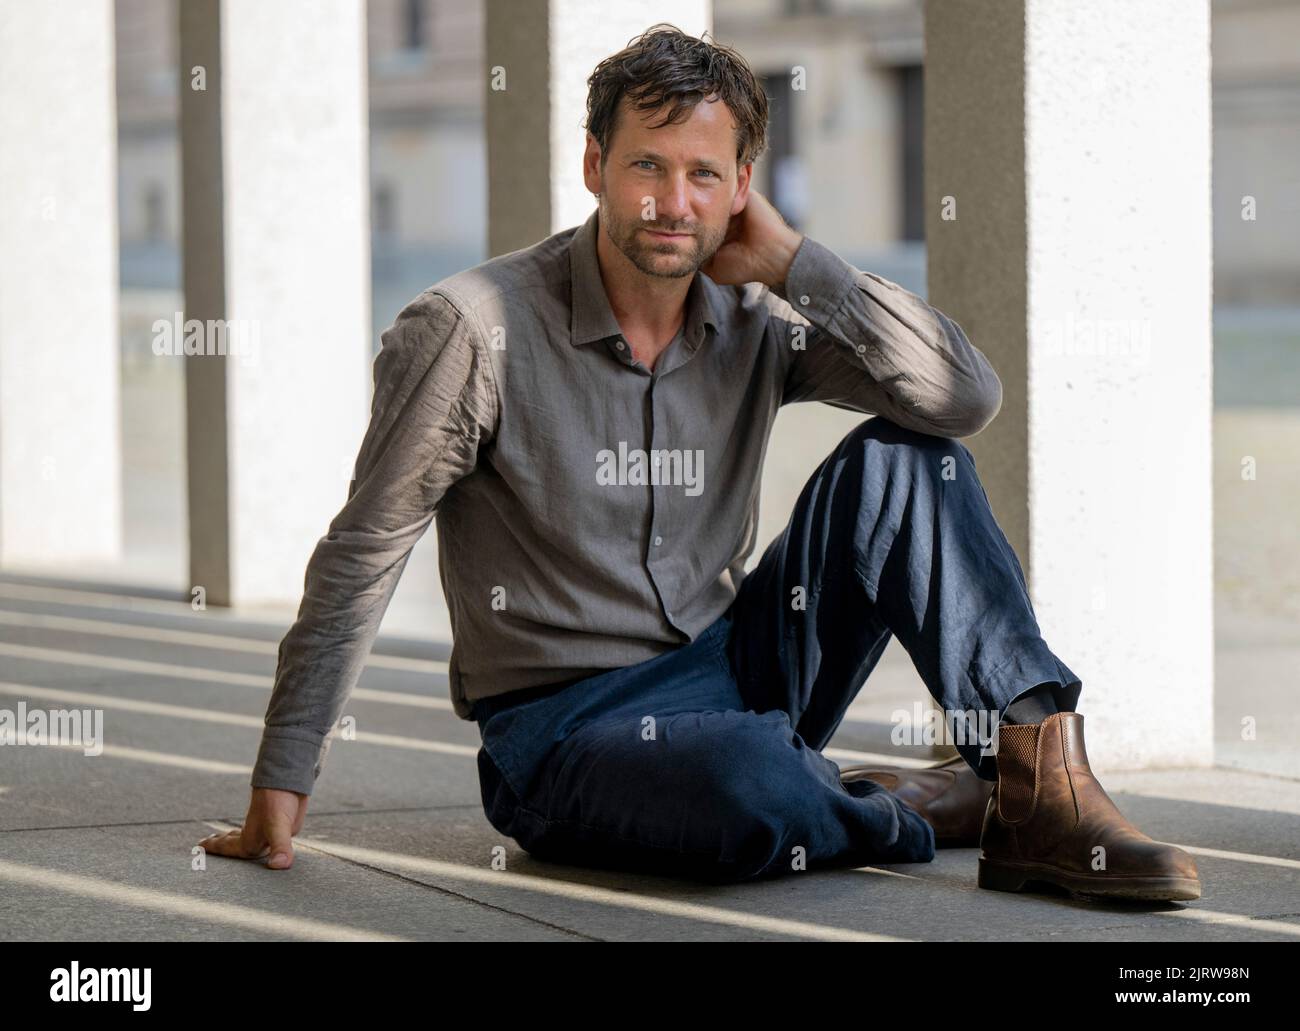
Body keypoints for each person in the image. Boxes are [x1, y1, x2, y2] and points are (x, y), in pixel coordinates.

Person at [198, 24, 1200, 901]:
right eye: (647, 166)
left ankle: (1033, 777)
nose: (673, 202)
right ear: (594, 165)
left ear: (740, 189)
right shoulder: (470, 330)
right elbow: (364, 549)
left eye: (704, 174)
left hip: (739, 667)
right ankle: (900, 806)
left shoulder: (759, 316)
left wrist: (797, 266)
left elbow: (961, 398)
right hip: (564, 729)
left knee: (911, 463)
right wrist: (281, 781)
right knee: (741, 781)